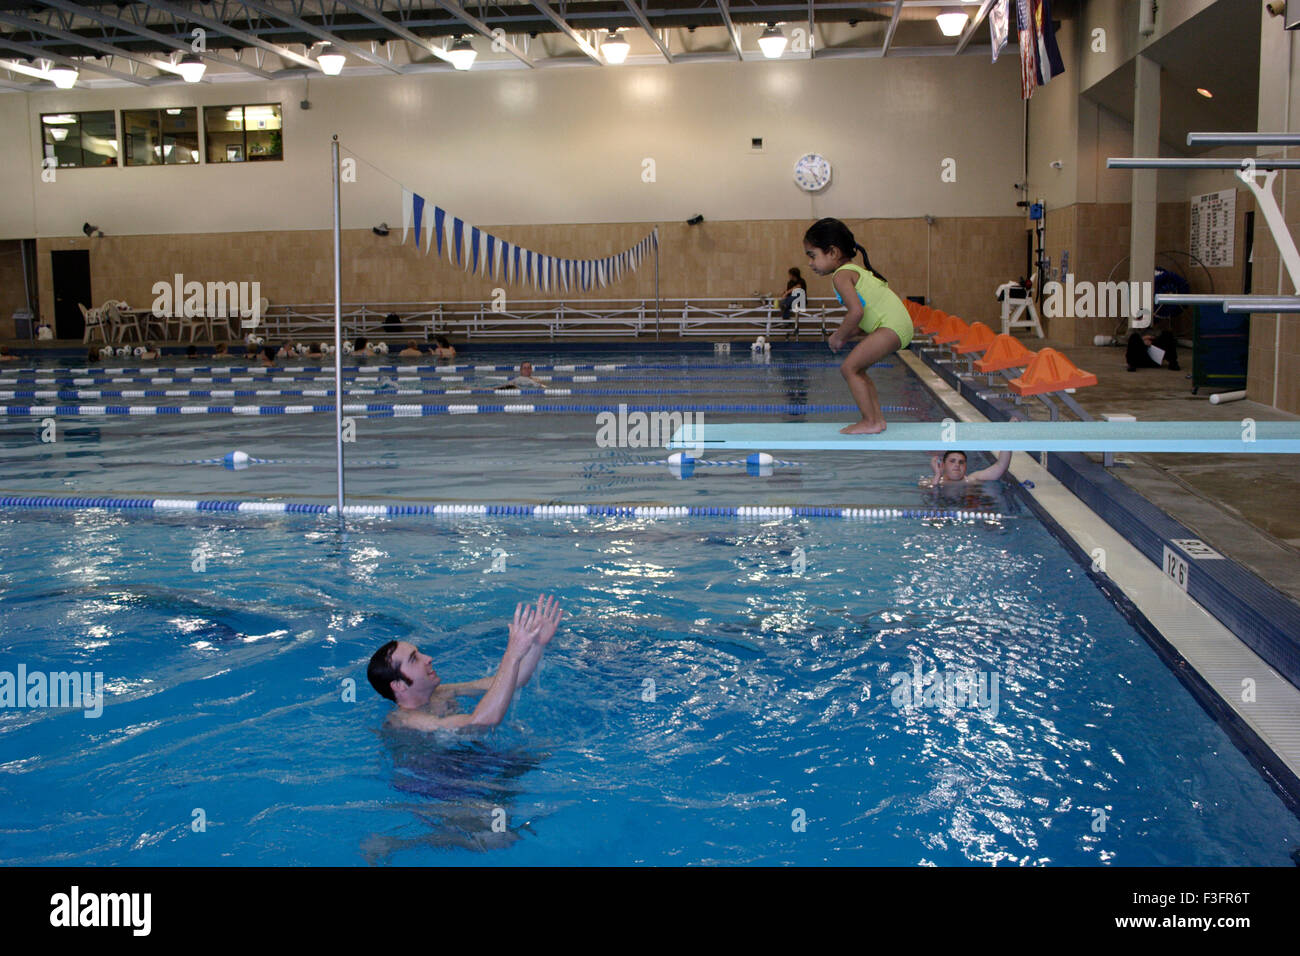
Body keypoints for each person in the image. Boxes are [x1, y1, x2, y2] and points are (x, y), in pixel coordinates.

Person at [367, 595, 563, 732]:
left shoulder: (443, 692)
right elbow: (479, 723)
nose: (428, 658)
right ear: (399, 685)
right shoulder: (406, 721)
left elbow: (513, 681)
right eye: (414, 659)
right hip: (432, 784)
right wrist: (511, 654)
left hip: (463, 761)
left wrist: (537, 644)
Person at [804, 218, 912, 434]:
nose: (810, 263)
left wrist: (838, 337)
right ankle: (877, 420)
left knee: (849, 368)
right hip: (898, 324)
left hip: (891, 326)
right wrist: (847, 332)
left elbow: (856, 312)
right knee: (858, 369)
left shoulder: (841, 275)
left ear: (832, 252)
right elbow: (864, 320)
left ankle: (870, 421)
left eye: (812, 256)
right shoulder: (855, 271)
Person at [919, 450, 1012, 488]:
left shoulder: (973, 479)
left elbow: (1001, 466)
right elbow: (932, 495)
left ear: (965, 466)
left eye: (961, 462)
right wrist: (938, 475)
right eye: (952, 461)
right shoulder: (928, 482)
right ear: (943, 465)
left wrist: (1009, 432)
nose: (957, 465)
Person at [775, 267, 808, 338]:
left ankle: (785, 304)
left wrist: (786, 293)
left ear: (793, 275)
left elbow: (797, 288)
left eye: (790, 274)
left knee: (797, 294)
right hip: (791, 301)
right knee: (786, 302)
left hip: (800, 301)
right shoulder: (789, 283)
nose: (789, 276)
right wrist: (785, 294)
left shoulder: (801, 281)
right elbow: (789, 293)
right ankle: (786, 321)